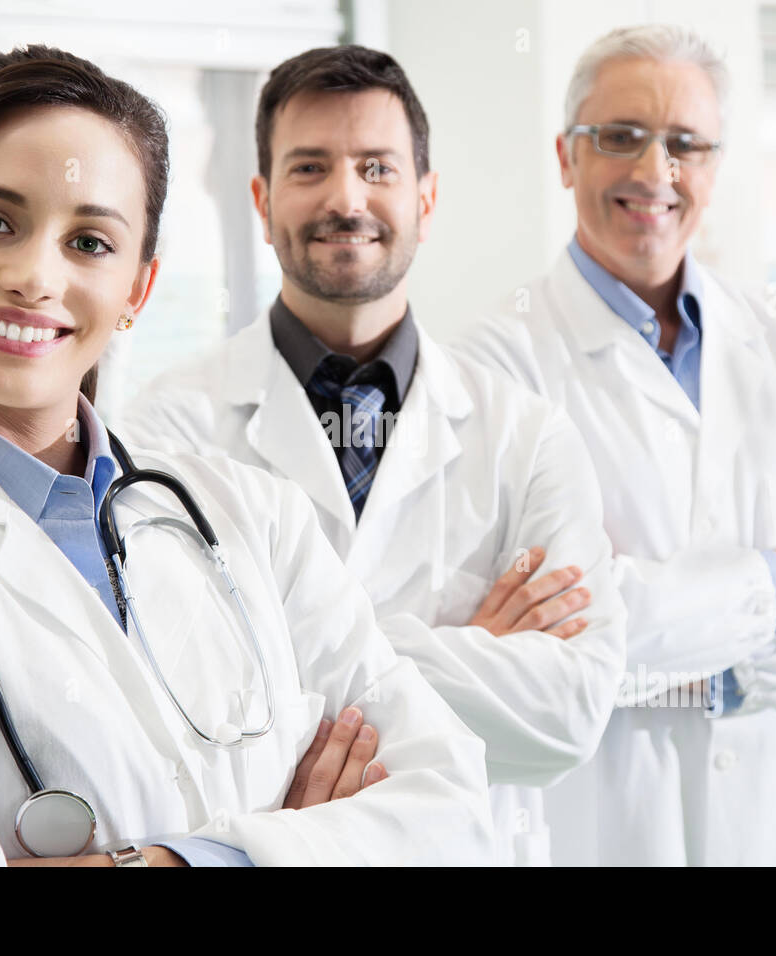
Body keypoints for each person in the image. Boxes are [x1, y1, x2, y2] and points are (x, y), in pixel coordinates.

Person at [0, 45, 494, 867]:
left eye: (91, 242)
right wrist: (293, 843)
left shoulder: (259, 518)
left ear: (137, 288)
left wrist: (170, 860)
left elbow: (452, 811)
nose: (32, 277)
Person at [117, 45, 626, 866]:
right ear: (262, 197)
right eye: (311, 167)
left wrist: (300, 647)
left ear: (425, 195)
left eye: (377, 167)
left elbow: (569, 717)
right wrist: (470, 644)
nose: (346, 198)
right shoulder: (164, 434)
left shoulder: (528, 439)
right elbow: (174, 703)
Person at [452, 24, 776, 865]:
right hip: (601, 827)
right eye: (621, 137)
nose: (655, 172)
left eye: (687, 144)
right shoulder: (497, 363)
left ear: (715, 166)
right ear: (567, 157)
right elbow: (540, 638)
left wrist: (721, 680)